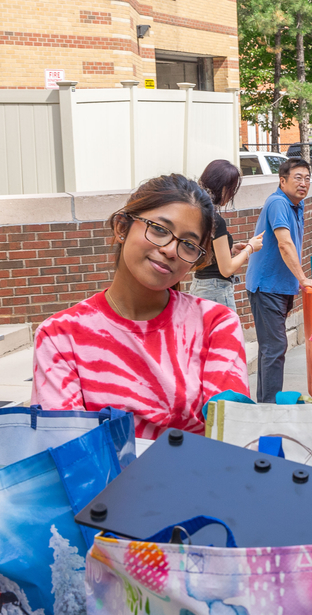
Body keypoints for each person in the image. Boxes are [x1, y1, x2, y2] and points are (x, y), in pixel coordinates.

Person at [32, 174, 251, 439]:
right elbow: (69, 451)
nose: (171, 249)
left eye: (189, 245)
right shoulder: (60, 336)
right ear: (122, 227)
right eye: (159, 229)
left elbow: (231, 436)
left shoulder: (215, 324)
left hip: (200, 478)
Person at [246, 158, 312, 404]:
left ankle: (265, 404)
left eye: (307, 178)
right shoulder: (278, 203)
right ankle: (270, 408)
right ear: (282, 181)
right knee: (274, 348)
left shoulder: (298, 204)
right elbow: (284, 244)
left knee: (270, 349)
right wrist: (303, 278)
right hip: (267, 287)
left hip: (279, 287)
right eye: (297, 177)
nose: (303, 183)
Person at [189, 159, 264, 310]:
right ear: (222, 188)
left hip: (198, 287)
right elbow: (227, 269)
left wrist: (231, 248)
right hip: (216, 291)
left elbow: (204, 252)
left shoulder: (196, 214)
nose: (231, 195)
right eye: (231, 189)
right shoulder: (216, 221)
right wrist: (249, 249)